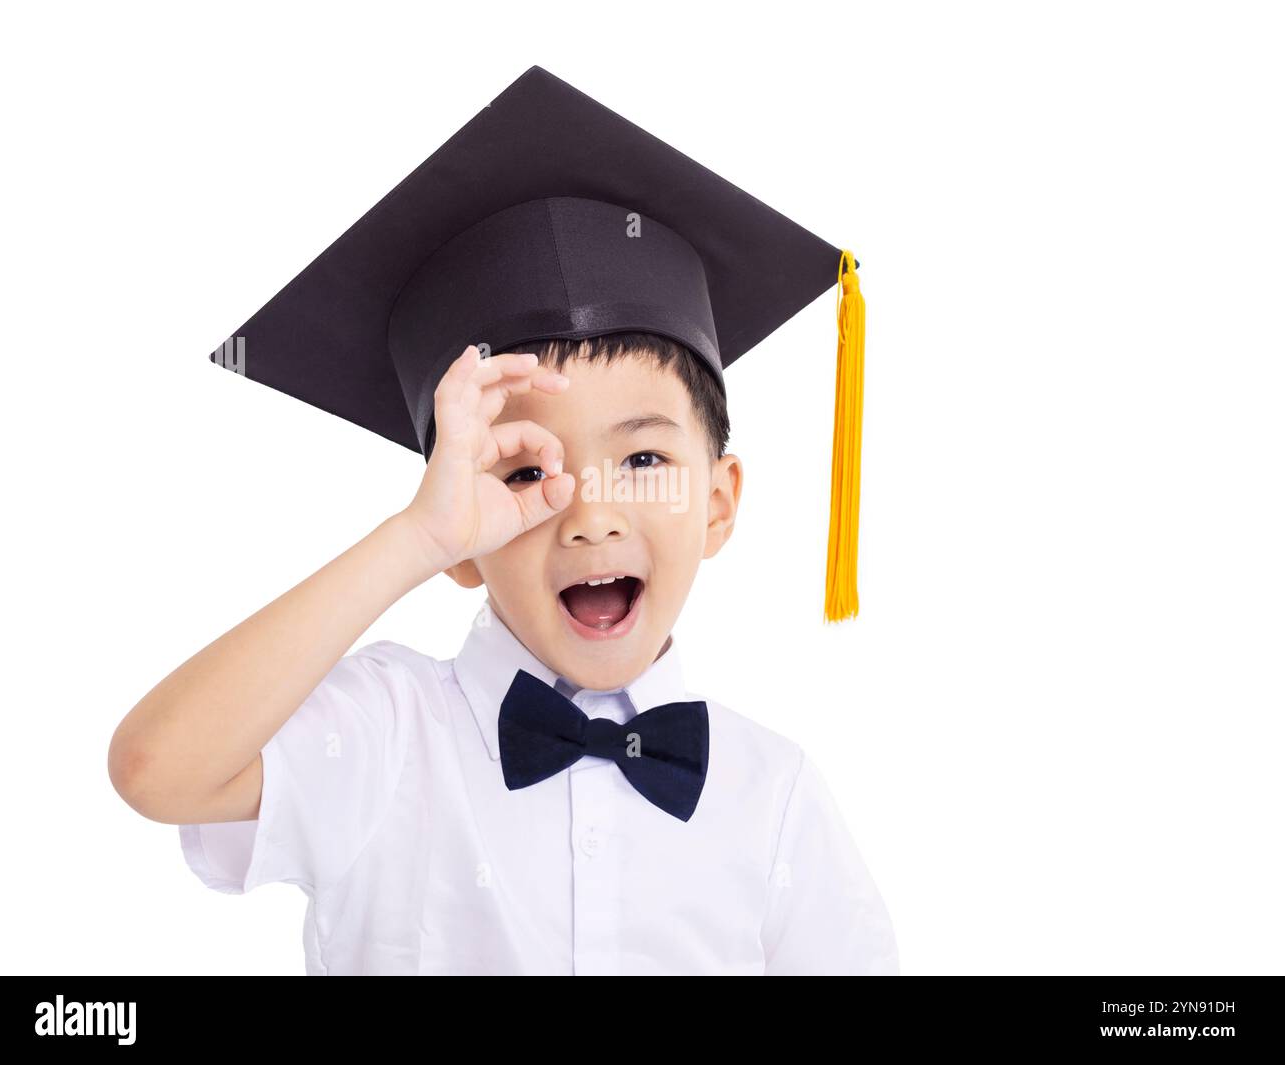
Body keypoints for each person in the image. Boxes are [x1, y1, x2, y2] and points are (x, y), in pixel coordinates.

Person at [108, 66, 898, 975]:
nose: (593, 516)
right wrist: (414, 536)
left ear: (718, 502)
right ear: (464, 544)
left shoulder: (776, 797)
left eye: (643, 459)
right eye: (526, 471)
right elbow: (155, 766)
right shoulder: (384, 735)